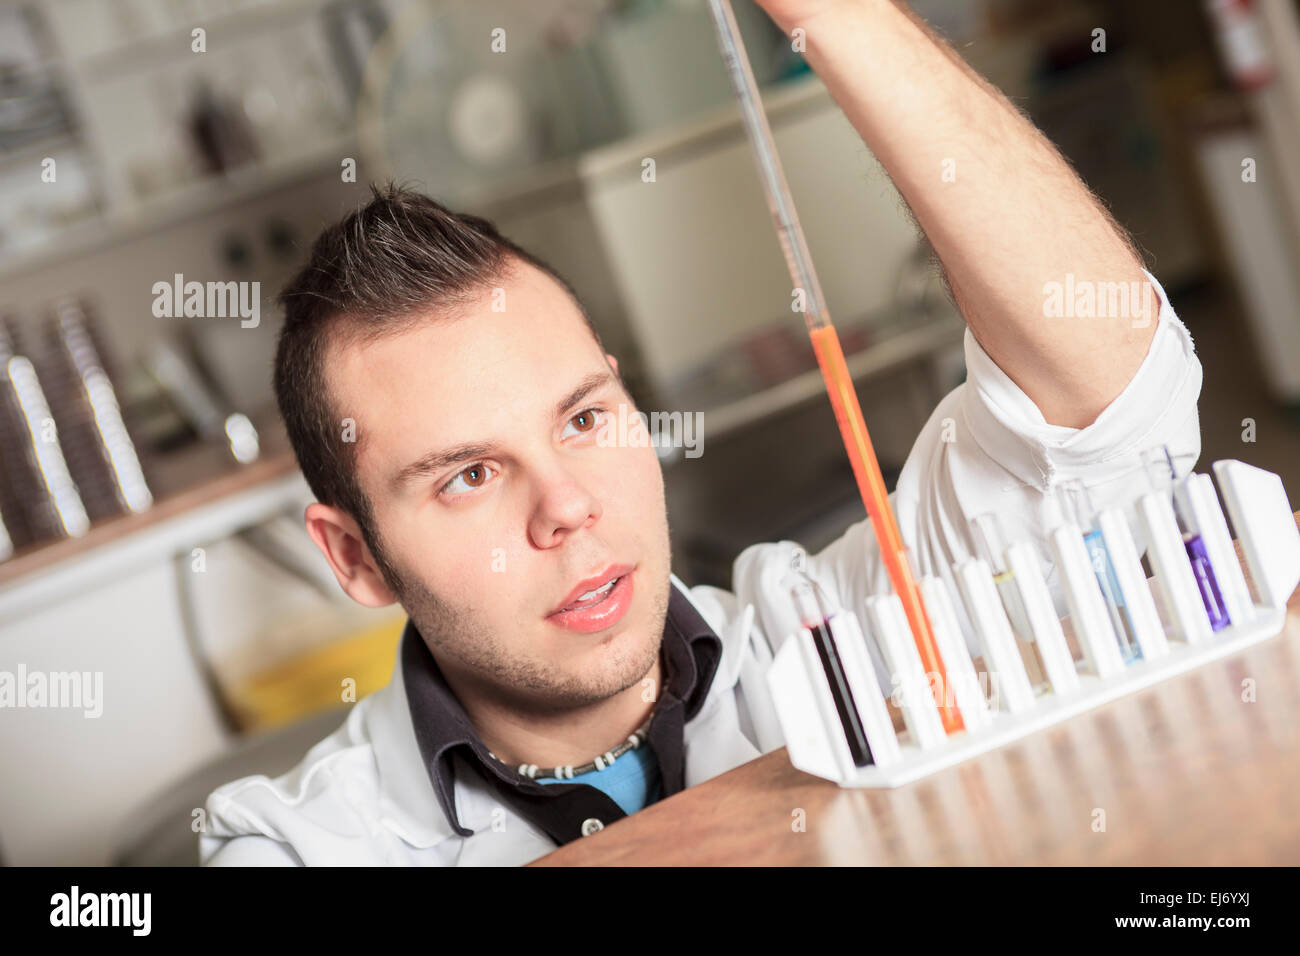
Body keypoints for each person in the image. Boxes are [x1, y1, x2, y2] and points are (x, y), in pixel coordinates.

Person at [200, 0, 1201, 865]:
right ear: (355, 556)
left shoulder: (835, 629)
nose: (569, 506)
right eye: (466, 475)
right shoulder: (304, 846)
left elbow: (1108, 400)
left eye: (584, 418)